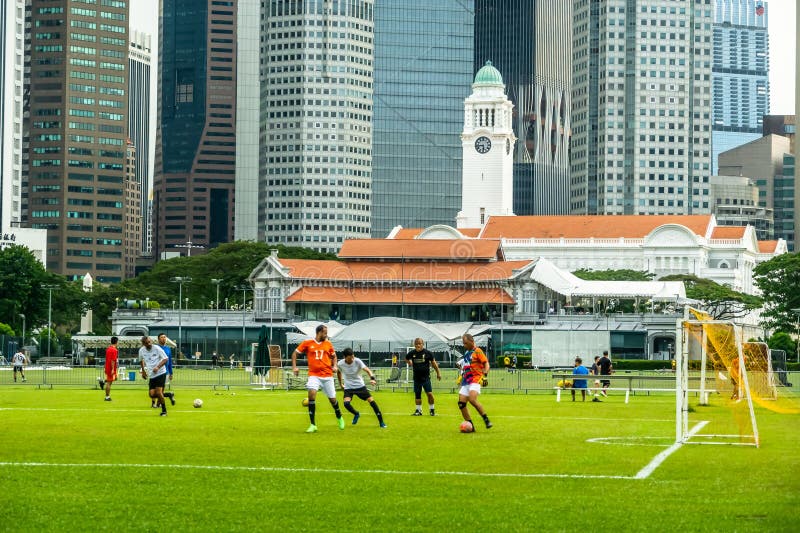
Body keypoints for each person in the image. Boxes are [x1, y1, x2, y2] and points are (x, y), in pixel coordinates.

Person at [292, 324, 345, 433]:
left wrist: (335, 366)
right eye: (325, 332)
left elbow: (334, 356)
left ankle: (339, 416)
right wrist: (294, 367)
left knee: (333, 400)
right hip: (314, 375)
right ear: (319, 332)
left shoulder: (328, 344)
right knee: (311, 395)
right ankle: (313, 425)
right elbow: (294, 354)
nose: (326, 334)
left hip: (327, 375)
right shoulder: (308, 343)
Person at [337, 348, 386, 428]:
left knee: (372, 402)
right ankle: (356, 414)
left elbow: (367, 370)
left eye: (353, 357)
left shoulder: (358, 361)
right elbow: (339, 372)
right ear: (345, 357)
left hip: (360, 386)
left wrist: (372, 379)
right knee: (346, 404)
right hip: (348, 387)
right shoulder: (340, 364)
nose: (352, 359)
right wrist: (341, 384)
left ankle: (381, 422)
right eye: (350, 358)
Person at [457, 333, 492, 430]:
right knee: (461, 404)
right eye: (463, 343)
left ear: (472, 342)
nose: (464, 345)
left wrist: (485, 375)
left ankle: (486, 419)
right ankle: (470, 426)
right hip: (466, 381)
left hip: (475, 379)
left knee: (472, 400)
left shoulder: (478, 351)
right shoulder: (466, 353)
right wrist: (461, 375)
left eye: (466, 343)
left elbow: (486, 364)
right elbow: (464, 365)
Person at [405, 338, 442, 416]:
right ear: (414, 345)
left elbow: (434, 364)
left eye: (419, 344)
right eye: (416, 344)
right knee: (417, 394)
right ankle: (418, 411)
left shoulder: (428, 353)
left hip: (425, 378)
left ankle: (432, 410)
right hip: (416, 378)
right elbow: (406, 358)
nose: (418, 345)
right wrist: (410, 363)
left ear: (423, 344)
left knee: (429, 394)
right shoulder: (412, 353)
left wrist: (438, 373)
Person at [139, 336, 170, 416]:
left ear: (151, 341)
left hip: (160, 372)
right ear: (143, 344)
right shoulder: (141, 351)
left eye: (150, 342)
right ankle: (169, 394)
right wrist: (143, 371)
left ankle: (164, 411)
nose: (149, 344)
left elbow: (166, 359)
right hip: (151, 375)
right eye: (146, 343)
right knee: (152, 394)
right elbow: (141, 360)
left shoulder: (157, 348)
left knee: (159, 393)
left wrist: (158, 367)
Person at [156, 333, 176, 407]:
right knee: (155, 390)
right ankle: (169, 395)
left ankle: (158, 403)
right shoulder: (156, 348)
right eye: (162, 337)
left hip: (166, 371)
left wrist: (171, 373)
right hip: (157, 371)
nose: (164, 338)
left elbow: (170, 361)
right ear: (158, 339)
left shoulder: (168, 349)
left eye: (165, 337)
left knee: (162, 389)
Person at [101, 337, 119, 401]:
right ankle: (107, 397)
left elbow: (107, 358)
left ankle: (103, 381)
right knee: (109, 382)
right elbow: (113, 360)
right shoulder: (114, 350)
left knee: (114, 379)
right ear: (116, 342)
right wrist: (112, 369)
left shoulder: (108, 349)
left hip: (107, 366)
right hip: (111, 368)